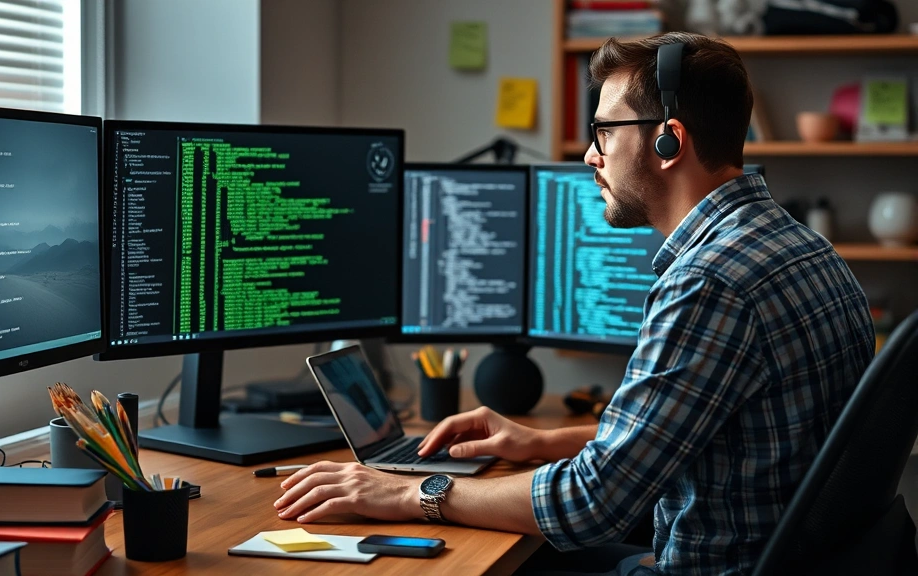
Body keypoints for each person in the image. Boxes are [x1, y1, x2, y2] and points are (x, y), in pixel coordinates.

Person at [272, 31, 874, 575]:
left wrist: (410, 492)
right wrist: (538, 442)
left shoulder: (707, 282)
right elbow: (675, 434)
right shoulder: (800, 245)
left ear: (668, 140)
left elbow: (591, 503)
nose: (590, 154)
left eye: (604, 131)